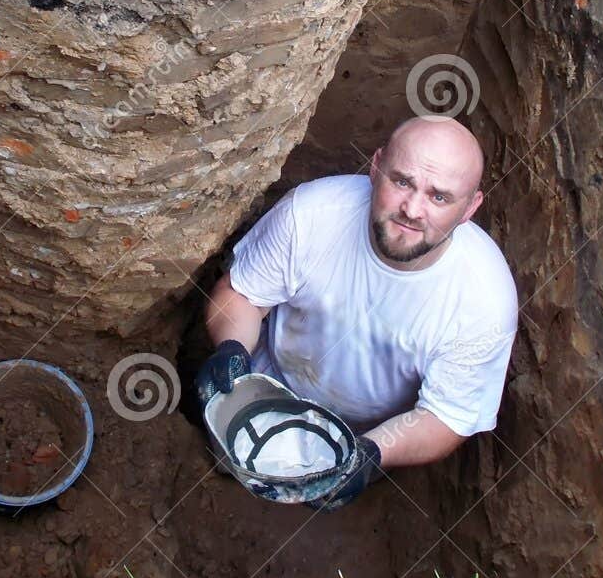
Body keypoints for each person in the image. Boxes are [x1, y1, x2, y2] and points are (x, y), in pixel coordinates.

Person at [194, 116, 518, 509]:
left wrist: (369, 455)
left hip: (368, 434)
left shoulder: (484, 300)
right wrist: (231, 350)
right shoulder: (311, 215)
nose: (412, 210)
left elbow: (447, 417)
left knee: (318, 513)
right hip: (261, 393)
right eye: (402, 181)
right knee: (231, 479)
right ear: (376, 166)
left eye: (439, 197)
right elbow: (244, 295)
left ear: (470, 207)